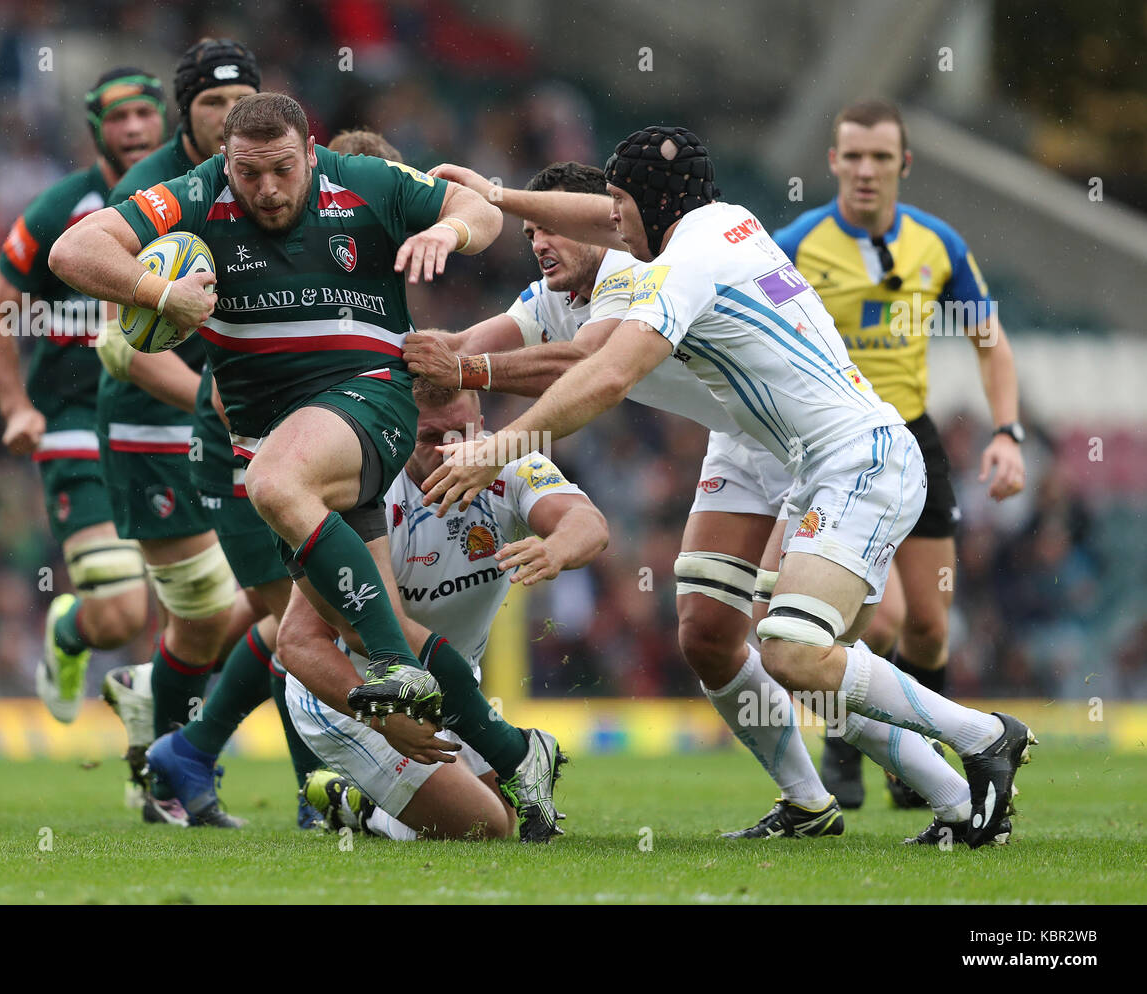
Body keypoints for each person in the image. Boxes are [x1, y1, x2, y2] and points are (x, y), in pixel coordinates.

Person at [424, 126, 1034, 849]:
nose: (604, 224)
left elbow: (604, 371)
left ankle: (985, 737)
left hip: (854, 456)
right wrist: (491, 198)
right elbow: (590, 233)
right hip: (779, 442)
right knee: (715, 635)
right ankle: (875, 802)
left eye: (617, 208)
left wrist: (491, 432)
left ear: (645, 206)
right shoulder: (701, 227)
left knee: (795, 648)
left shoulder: (674, 268)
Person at [49, 93, 571, 842]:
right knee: (338, 626)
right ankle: (518, 756)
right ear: (224, 164)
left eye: (282, 170)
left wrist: (450, 231)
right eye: (248, 173)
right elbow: (73, 251)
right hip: (274, 436)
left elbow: (478, 208)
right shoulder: (200, 195)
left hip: (368, 405)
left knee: (276, 491)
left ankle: (383, 680)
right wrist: (156, 292)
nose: (265, 189)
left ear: (312, 153)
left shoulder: (364, 181)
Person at [90, 40, 324, 828]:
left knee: (234, 618)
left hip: (238, 417)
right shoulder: (148, 190)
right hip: (155, 419)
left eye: (244, 102)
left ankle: (162, 722)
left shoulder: (267, 185)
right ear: (185, 112)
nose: (233, 119)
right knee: (275, 611)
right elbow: (118, 344)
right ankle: (304, 790)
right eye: (214, 106)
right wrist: (221, 401)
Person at [774, 99, 1026, 809]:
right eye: (851, 155)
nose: (865, 170)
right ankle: (851, 746)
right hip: (833, 446)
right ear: (832, 162)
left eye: (880, 157)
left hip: (913, 441)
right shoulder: (794, 244)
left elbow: (989, 341)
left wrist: (1008, 433)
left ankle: (927, 766)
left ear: (903, 166)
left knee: (928, 623)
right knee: (867, 622)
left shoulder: (937, 244)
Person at [290, 378, 608, 839]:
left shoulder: (511, 463)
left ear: (481, 424)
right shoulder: (362, 486)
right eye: (430, 438)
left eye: (461, 433)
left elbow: (590, 524)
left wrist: (557, 548)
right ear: (397, 428)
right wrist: (381, 719)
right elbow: (298, 641)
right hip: (355, 693)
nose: (449, 451)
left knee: (499, 815)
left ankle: (359, 799)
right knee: (484, 827)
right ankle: (353, 804)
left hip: (452, 695)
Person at [0, 67, 165, 723]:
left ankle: (168, 747)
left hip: (172, 419)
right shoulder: (59, 209)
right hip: (78, 420)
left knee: (217, 606)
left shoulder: (190, 203)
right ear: (95, 131)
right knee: (118, 613)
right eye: (117, 118)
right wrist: (16, 408)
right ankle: (70, 632)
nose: (133, 128)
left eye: (143, 113)